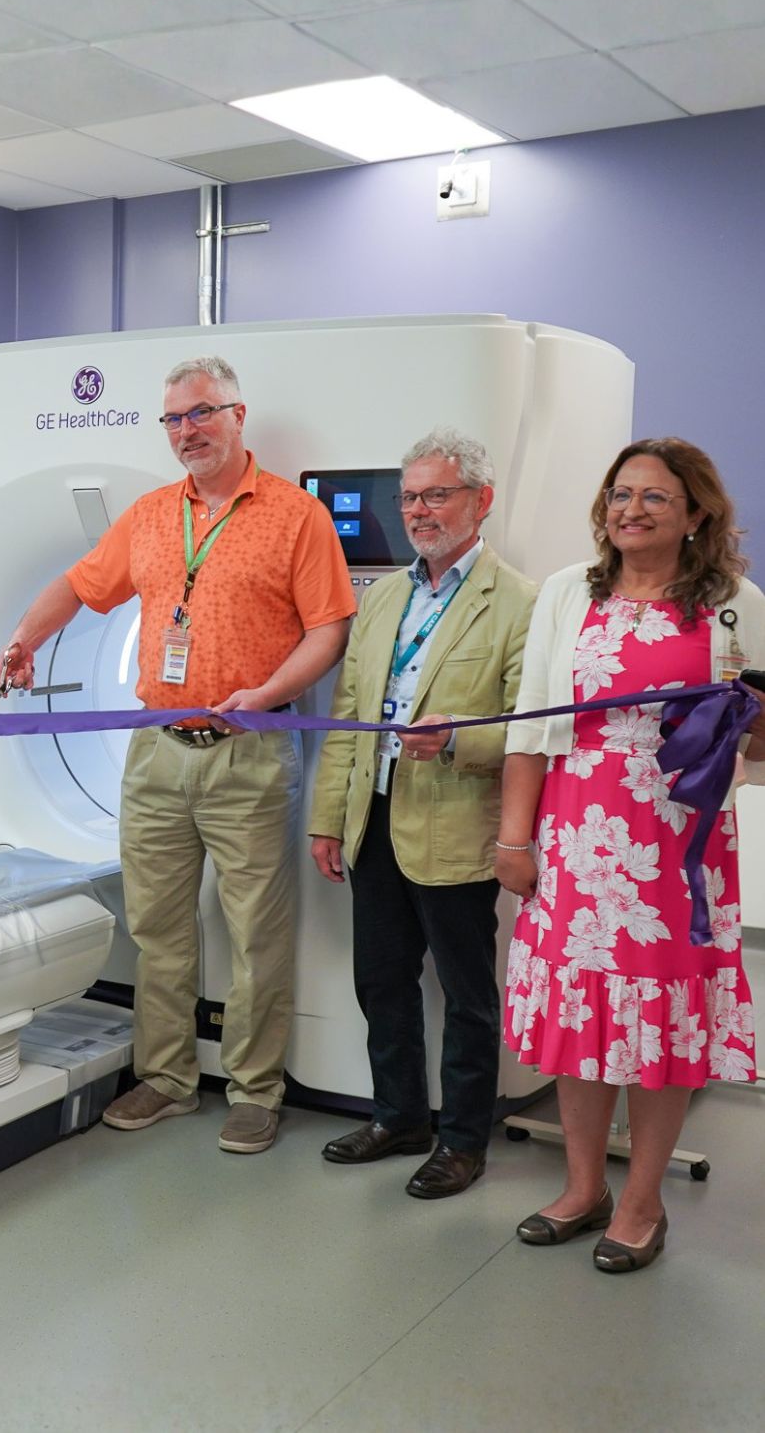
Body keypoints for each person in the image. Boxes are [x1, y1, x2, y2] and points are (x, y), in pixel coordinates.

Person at [2, 356, 355, 1154]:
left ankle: (255, 1089)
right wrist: (25, 638)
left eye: (200, 413)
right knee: (158, 926)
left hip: (250, 750)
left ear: (237, 414)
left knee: (256, 933)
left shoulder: (295, 516)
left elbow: (328, 629)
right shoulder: (152, 514)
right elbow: (80, 583)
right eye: (172, 419)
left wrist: (264, 694)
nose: (186, 430)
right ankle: (165, 1078)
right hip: (156, 750)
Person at [497, 437, 765, 1271]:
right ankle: (584, 1187)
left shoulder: (732, 603)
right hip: (574, 829)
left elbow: (757, 741)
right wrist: (514, 836)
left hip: (676, 844)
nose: (631, 510)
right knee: (583, 1015)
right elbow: (532, 719)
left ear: (695, 515)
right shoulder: (565, 593)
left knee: (659, 1023)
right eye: (619, 494)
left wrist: (747, 720)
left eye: (654, 497)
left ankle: (642, 1199)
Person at [308, 430, 538, 1198]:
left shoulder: (518, 604)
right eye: (408, 496)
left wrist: (455, 741)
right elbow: (347, 713)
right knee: (380, 981)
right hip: (372, 819)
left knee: (467, 995)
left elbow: (532, 726)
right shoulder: (383, 599)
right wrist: (327, 817)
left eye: (436, 494)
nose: (418, 511)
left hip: (455, 824)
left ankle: (462, 1139)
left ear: (481, 501)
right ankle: (397, 1114)